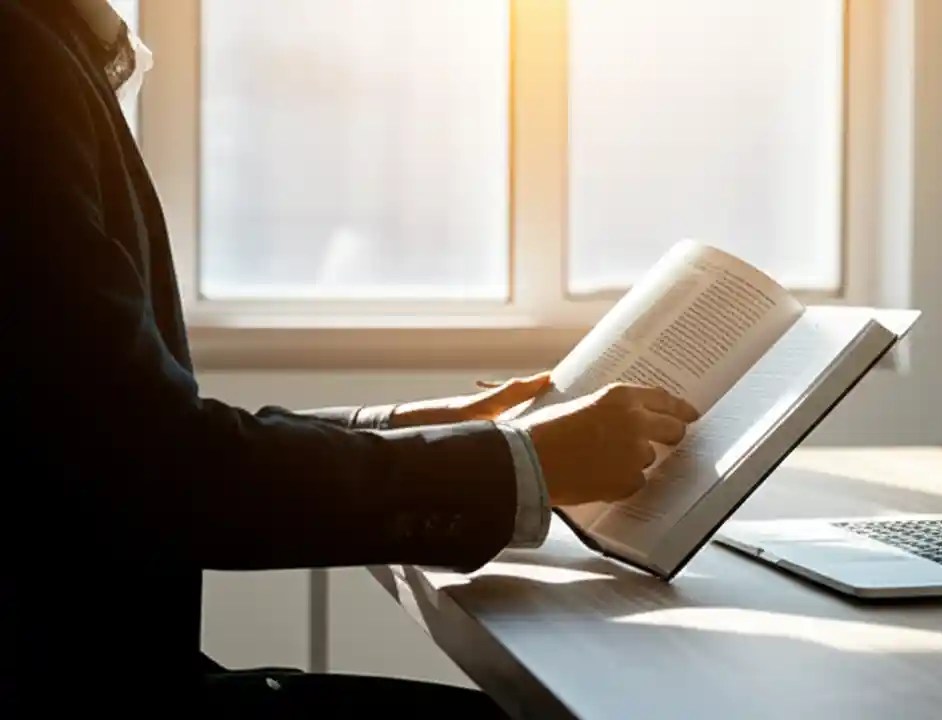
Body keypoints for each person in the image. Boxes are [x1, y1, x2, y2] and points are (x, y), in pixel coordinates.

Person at [0, 0, 699, 714]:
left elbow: (102, 434)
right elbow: (153, 471)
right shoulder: (20, 59)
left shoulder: (48, 45)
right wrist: (522, 464)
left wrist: (407, 426)